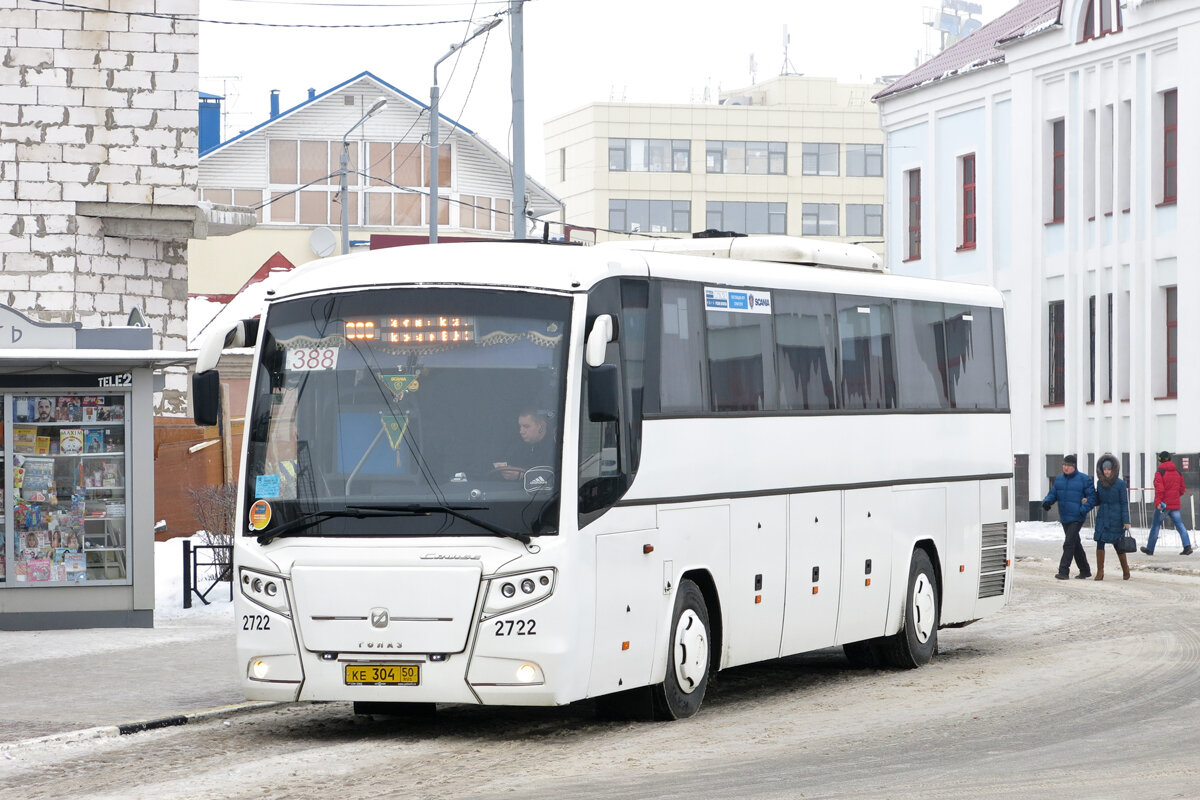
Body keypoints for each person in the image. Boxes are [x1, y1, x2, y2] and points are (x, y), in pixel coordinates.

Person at [1043, 454, 1096, 580]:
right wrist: (1047, 502)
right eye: (1064, 465)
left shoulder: (1084, 479)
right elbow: (1053, 493)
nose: (1066, 468)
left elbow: (1092, 498)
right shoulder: (1059, 479)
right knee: (1075, 543)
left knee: (1068, 543)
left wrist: (1082, 510)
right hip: (1065, 516)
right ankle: (1085, 570)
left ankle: (1063, 571)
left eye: (1069, 465)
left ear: (1074, 466)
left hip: (1077, 517)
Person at [1141, 451, 1193, 556]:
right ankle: (1187, 547)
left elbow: (1159, 489)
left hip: (1164, 505)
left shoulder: (1160, 472)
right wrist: (1174, 496)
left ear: (1160, 460)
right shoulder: (1178, 472)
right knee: (1180, 525)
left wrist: (1158, 502)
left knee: (1156, 525)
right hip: (1175, 503)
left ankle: (1150, 549)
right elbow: (1182, 489)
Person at [1091, 454, 1132, 580]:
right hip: (1103, 516)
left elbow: (1124, 503)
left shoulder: (1120, 484)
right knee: (1100, 541)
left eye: (1109, 469)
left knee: (1117, 544)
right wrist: (1088, 500)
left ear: (1113, 470)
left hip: (1116, 517)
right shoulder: (1100, 482)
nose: (1107, 472)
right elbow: (1098, 499)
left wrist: (1126, 521)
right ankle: (1100, 571)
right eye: (1105, 469)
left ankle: (1126, 570)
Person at [494, 409, 554, 480]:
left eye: (526, 426)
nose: (521, 431)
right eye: (520, 427)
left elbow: (551, 475)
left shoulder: (555, 448)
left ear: (541, 426)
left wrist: (522, 476)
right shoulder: (517, 447)